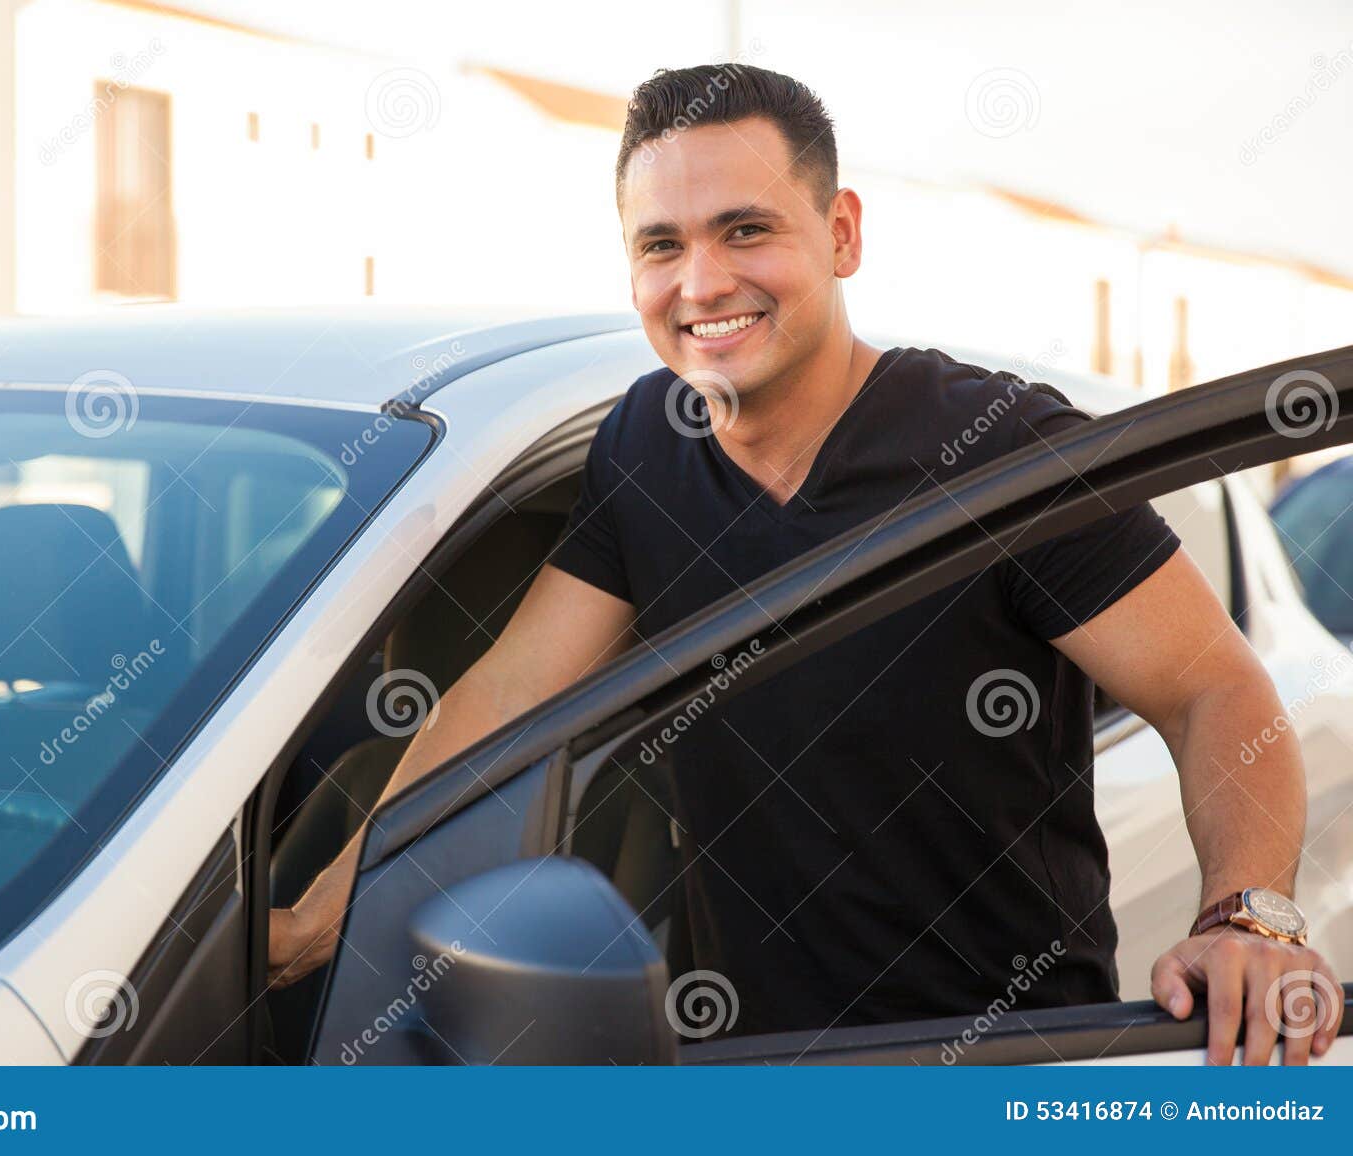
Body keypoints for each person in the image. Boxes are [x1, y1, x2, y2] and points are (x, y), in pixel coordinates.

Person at [269, 63, 1343, 1064]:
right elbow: (507, 691)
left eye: (746, 229)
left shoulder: (999, 450)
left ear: (840, 234)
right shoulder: (645, 447)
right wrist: (324, 908)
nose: (702, 282)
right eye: (660, 244)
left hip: (1002, 1063)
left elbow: (1213, 688)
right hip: (753, 1067)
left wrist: (1245, 914)